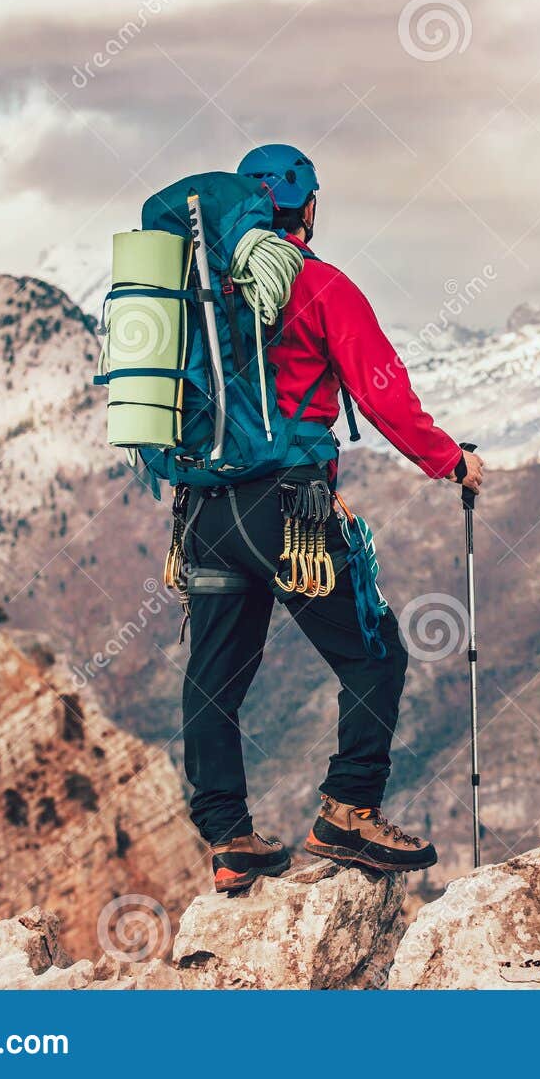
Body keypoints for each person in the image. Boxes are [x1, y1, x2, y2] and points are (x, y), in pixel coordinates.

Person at [181, 143, 486, 891]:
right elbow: (383, 393)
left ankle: (229, 839)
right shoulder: (320, 286)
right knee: (374, 654)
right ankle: (348, 811)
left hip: (204, 513)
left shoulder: (200, 295)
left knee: (215, 681)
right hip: (289, 513)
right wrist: (451, 461)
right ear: (307, 208)